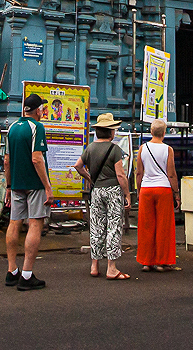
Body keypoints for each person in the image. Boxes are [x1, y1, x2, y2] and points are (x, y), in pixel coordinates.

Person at [5, 93, 54, 291]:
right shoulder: (37, 127)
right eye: (42, 109)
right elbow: (37, 159)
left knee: (14, 223)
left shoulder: (12, 128)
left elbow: (7, 161)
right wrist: (48, 187)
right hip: (34, 184)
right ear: (37, 111)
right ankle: (26, 274)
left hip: (17, 184)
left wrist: (8, 186)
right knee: (35, 223)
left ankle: (11, 271)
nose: (42, 112)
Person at [74, 113, 130, 280]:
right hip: (113, 191)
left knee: (97, 226)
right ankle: (111, 268)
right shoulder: (115, 149)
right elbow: (120, 175)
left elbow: (78, 165)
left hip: (97, 191)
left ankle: (94, 265)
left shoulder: (90, 148)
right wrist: (127, 194)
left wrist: (89, 177)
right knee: (113, 227)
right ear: (111, 132)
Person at [136, 119, 180, 272]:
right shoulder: (168, 149)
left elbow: (139, 172)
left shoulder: (142, 148)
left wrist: (138, 190)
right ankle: (162, 261)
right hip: (163, 189)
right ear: (164, 133)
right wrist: (177, 194)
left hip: (146, 189)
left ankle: (146, 261)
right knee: (164, 226)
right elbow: (171, 173)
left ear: (151, 132)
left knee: (146, 226)